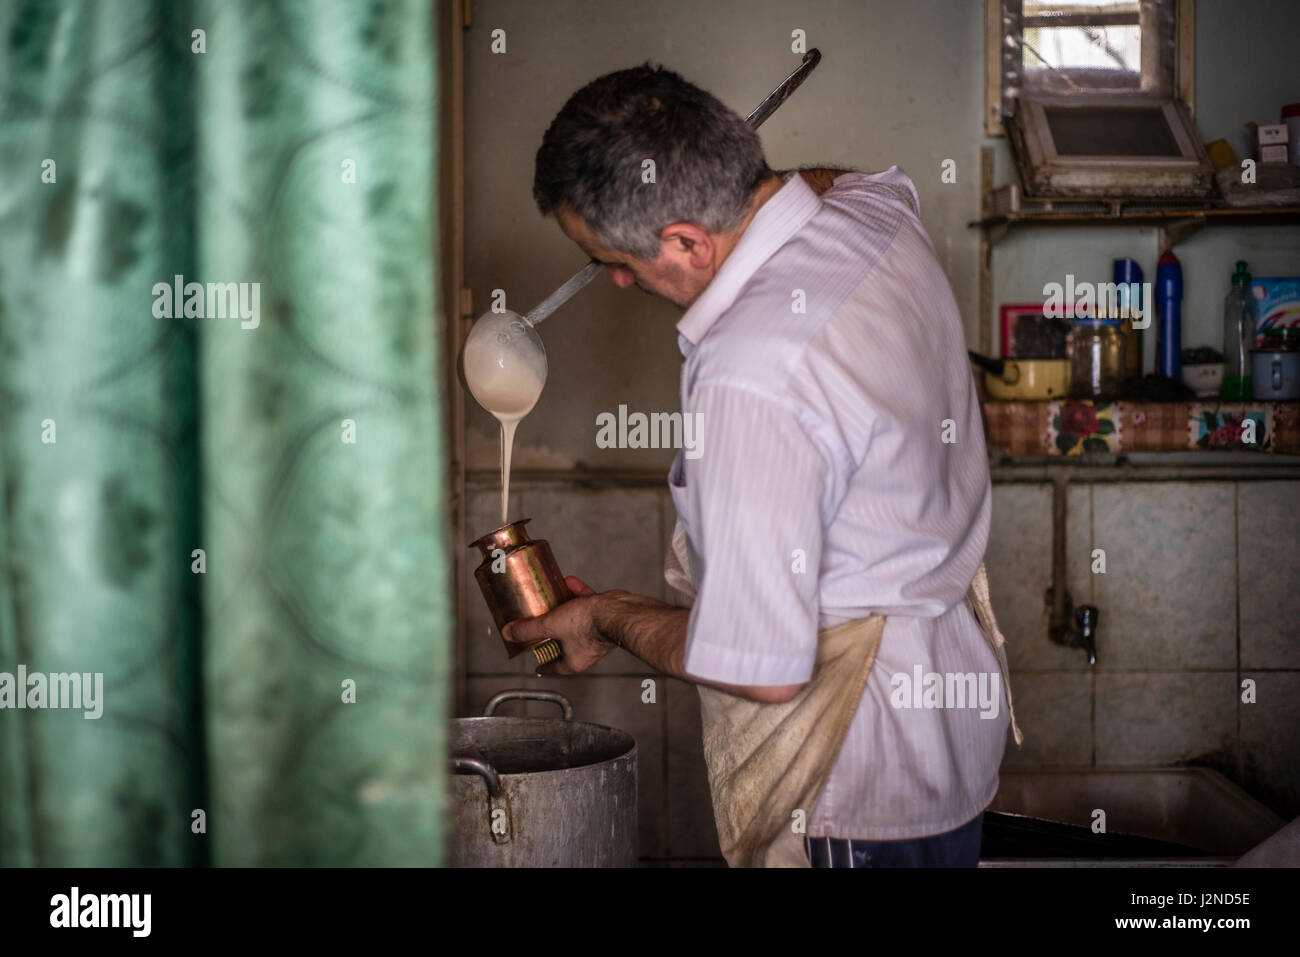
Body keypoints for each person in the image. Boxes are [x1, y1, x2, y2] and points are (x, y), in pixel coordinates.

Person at [505, 63, 1015, 868]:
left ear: (685, 240)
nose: (616, 278)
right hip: (947, 741)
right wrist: (745, 177)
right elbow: (834, 181)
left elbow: (764, 670)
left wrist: (604, 615)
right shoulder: (872, 213)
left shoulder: (751, 373)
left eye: (617, 259)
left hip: (854, 789)